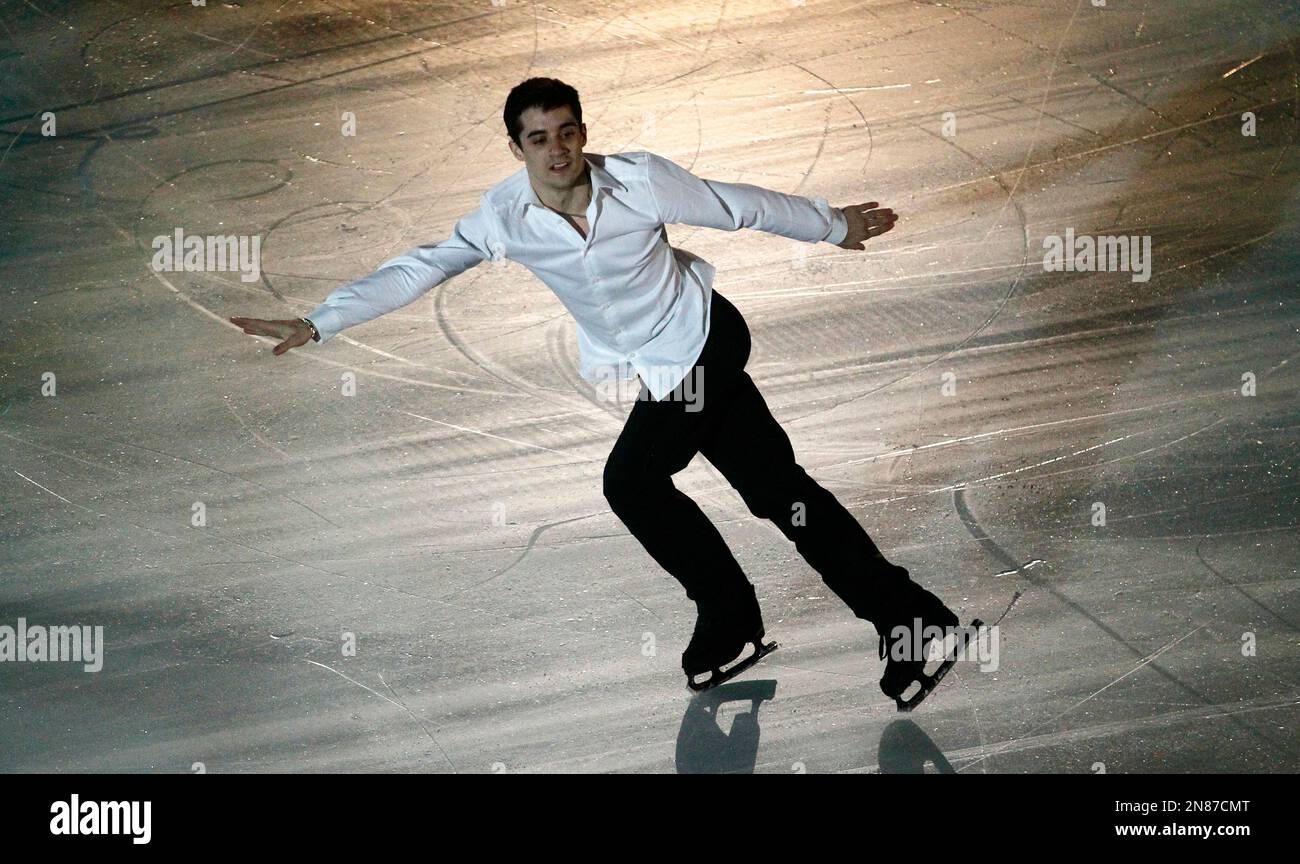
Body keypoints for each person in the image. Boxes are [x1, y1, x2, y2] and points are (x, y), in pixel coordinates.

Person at [231, 77, 961, 704]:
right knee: (779, 492)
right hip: (661, 366)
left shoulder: (640, 181)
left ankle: (733, 615)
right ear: (515, 149)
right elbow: (420, 267)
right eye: (538, 137)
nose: (556, 149)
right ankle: (903, 617)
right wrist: (318, 322)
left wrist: (835, 225)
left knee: (634, 481)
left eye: (567, 132)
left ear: (583, 134)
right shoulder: (504, 218)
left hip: (705, 342)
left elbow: (738, 205)